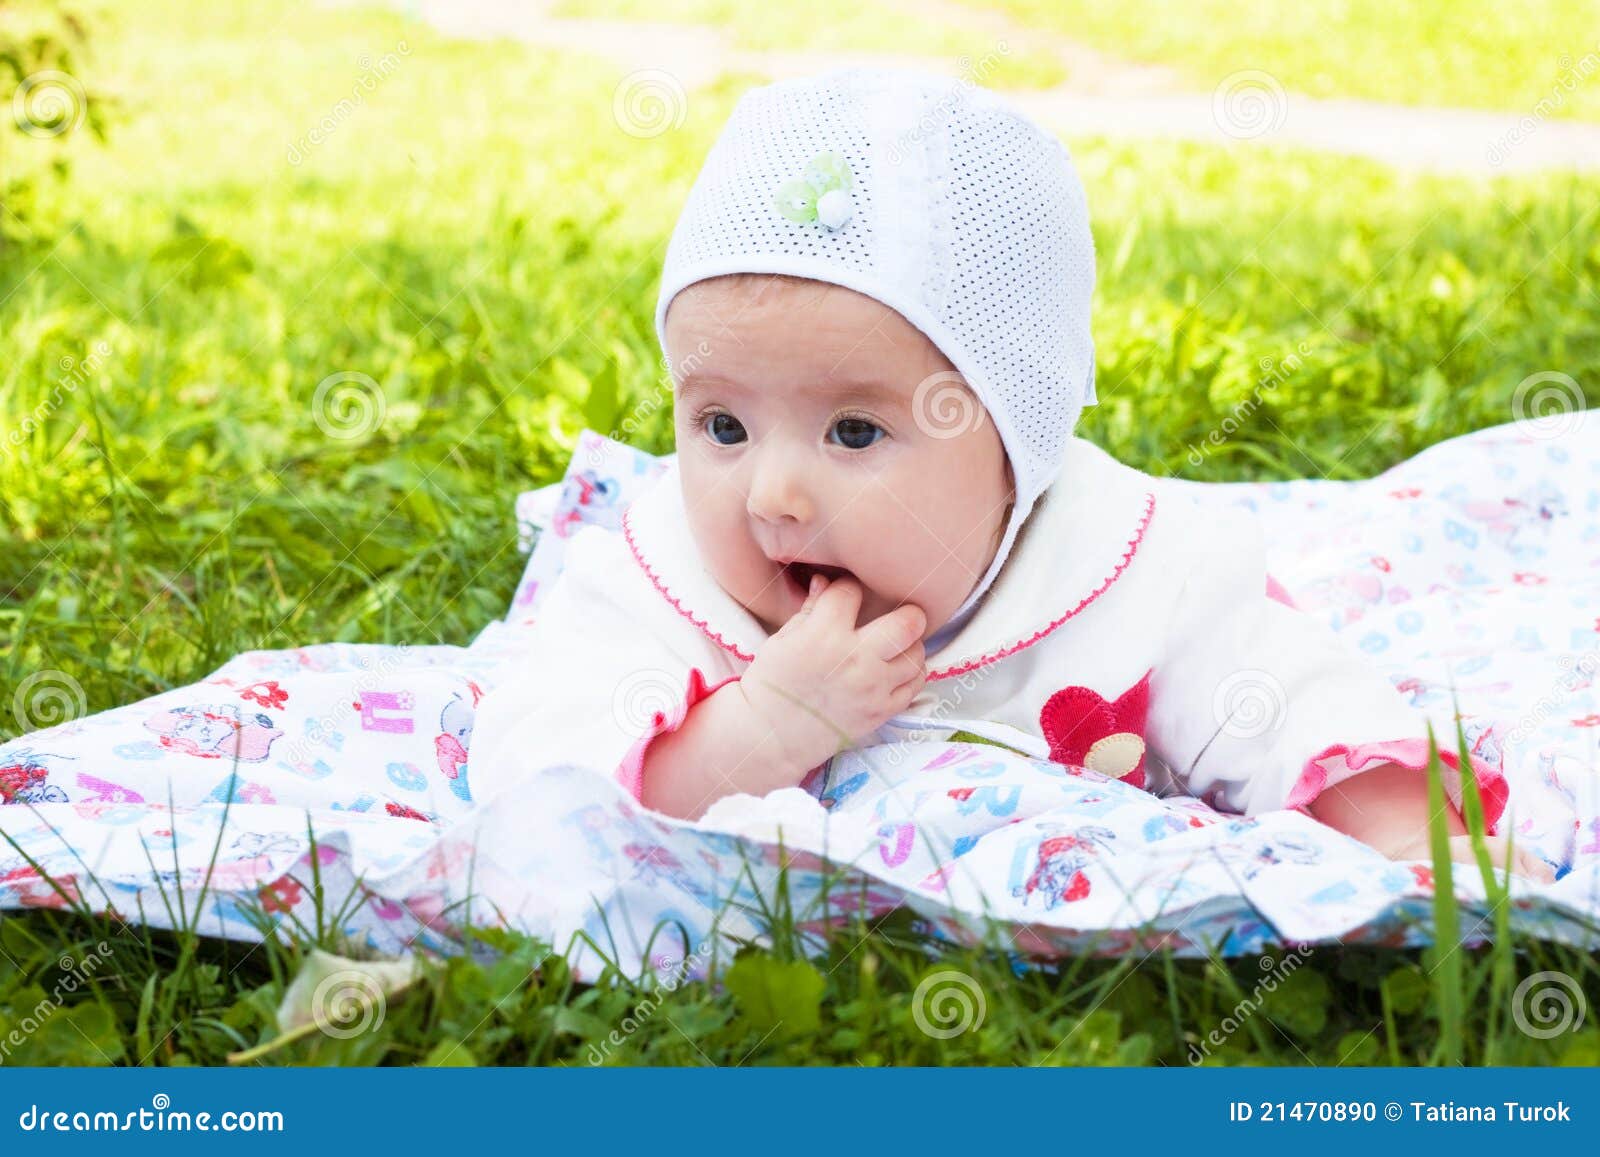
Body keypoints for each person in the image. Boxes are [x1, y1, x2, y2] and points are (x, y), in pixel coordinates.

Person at [473, 66, 1548, 881]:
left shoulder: (1118, 563)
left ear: (1013, 443)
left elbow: (1287, 693)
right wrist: (760, 726)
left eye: (852, 432)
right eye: (720, 423)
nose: (770, 496)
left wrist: (1407, 833)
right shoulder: (664, 578)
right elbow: (545, 779)